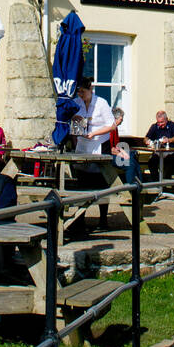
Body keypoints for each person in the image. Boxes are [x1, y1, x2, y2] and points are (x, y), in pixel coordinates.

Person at [69, 79, 117, 233]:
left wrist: (94, 133)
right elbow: (74, 122)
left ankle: (103, 219)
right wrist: (76, 133)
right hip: (83, 145)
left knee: (100, 181)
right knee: (82, 181)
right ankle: (80, 218)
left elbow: (112, 125)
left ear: (90, 89)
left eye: (83, 91)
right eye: (79, 92)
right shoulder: (77, 102)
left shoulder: (101, 103)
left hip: (100, 143)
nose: (80, 95)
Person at [145, 110, 174, 179]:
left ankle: (165, 182)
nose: (160, 124)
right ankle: (156, 181)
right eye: (158, 122)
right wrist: (148, 141)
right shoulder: (154, 126)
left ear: (166, 119)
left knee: (170, 161)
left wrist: (169, 140)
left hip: (171, 151)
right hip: (159, 152)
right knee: (152, 161)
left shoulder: (172, 125)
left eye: (162, 122)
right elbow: (146, 137)